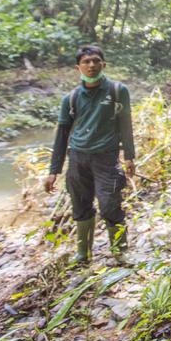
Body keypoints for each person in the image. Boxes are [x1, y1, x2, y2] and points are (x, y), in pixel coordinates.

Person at [45, 45, 135, 264]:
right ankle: (83, 253)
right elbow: (62, 134)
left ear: (103, 64)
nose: (91, 65)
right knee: (80, 206)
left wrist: (130, 157)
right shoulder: (71, 98)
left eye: (96, 61)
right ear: (78, 67)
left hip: (106, 158)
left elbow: (126, 125)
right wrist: (53, 171)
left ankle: (120, 251)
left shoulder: (117, 90)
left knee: (110, 205)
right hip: (78, 159)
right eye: (86, 62)